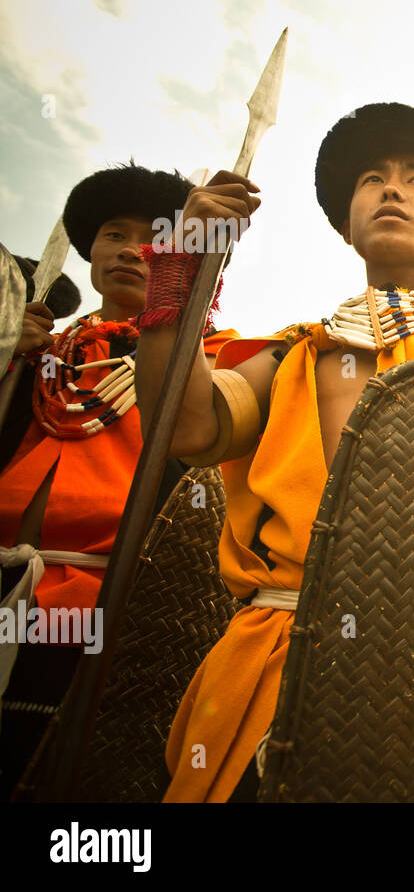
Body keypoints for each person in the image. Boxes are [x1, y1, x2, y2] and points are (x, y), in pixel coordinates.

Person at [136, 103, 414, 802]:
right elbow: (187, 426)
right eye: (372, 180)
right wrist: (180, 269)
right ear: (346, 224)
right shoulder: (294, 349)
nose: (391, 188)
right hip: (273, 648)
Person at [0, 164, 236, 797]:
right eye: (113, 234)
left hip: (109, 603)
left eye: (153, 235)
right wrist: (6, 358)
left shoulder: (212, 358)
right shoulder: (41, 355)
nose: (132, 248)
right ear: (90, 252)